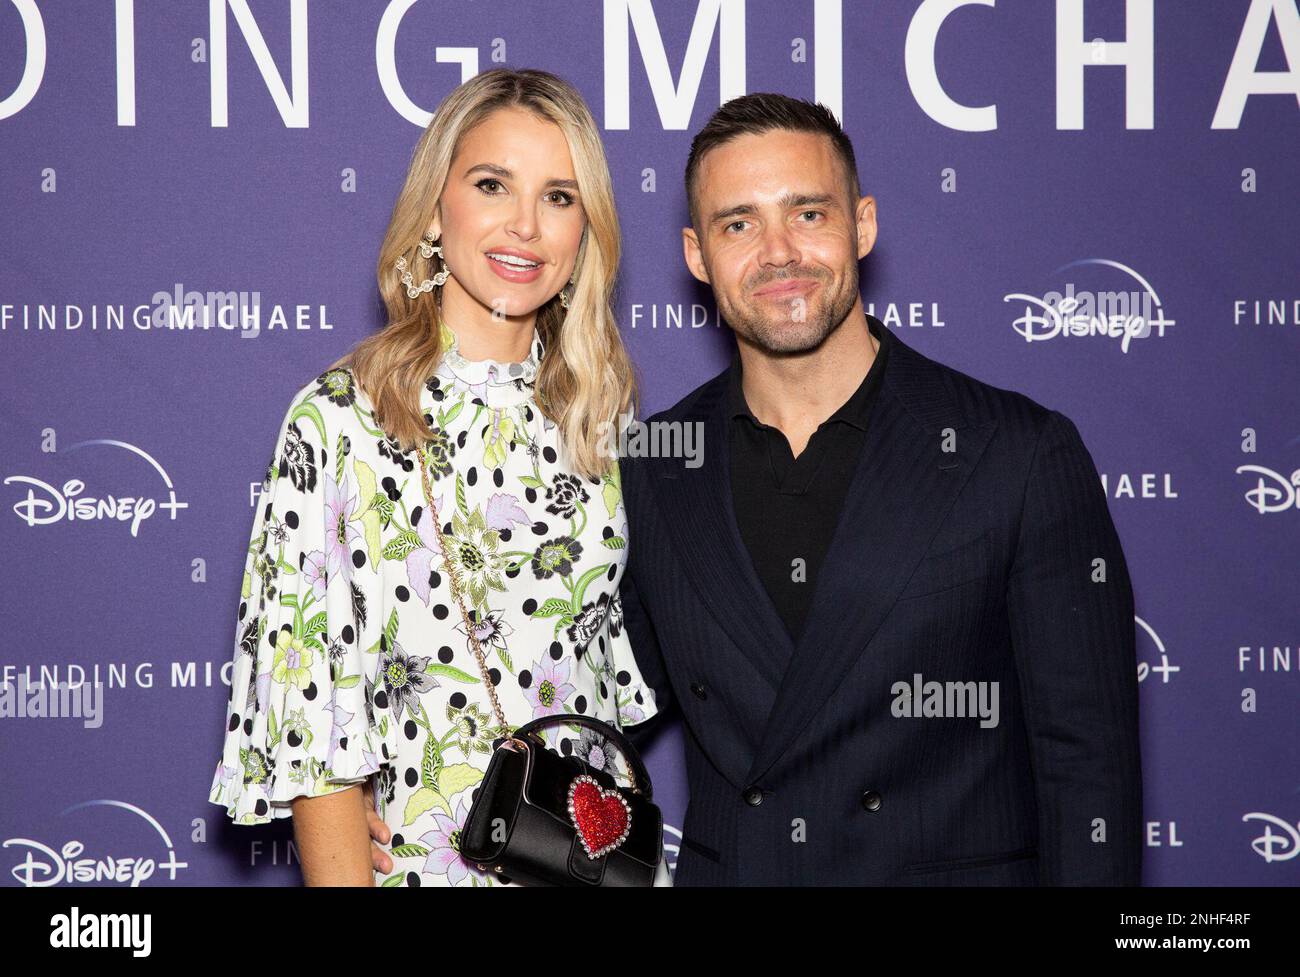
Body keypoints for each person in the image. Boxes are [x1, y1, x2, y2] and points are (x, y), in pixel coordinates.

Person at [616, 93, 1143, 885]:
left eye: (807, 213)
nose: (778, 252)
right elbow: (588, 702)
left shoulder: (1018, 454)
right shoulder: (652, 469)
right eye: (739, 224)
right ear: (697, 256)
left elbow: (1088, 773)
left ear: (862, 225)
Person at [208, 68, 666, 886]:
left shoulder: (593, 413)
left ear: (585, 230)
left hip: (589, 865)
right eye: (493, 185)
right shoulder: (341, 418)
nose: (525, 226)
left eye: (560, 197)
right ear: (434, 209)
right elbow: (313, 724)